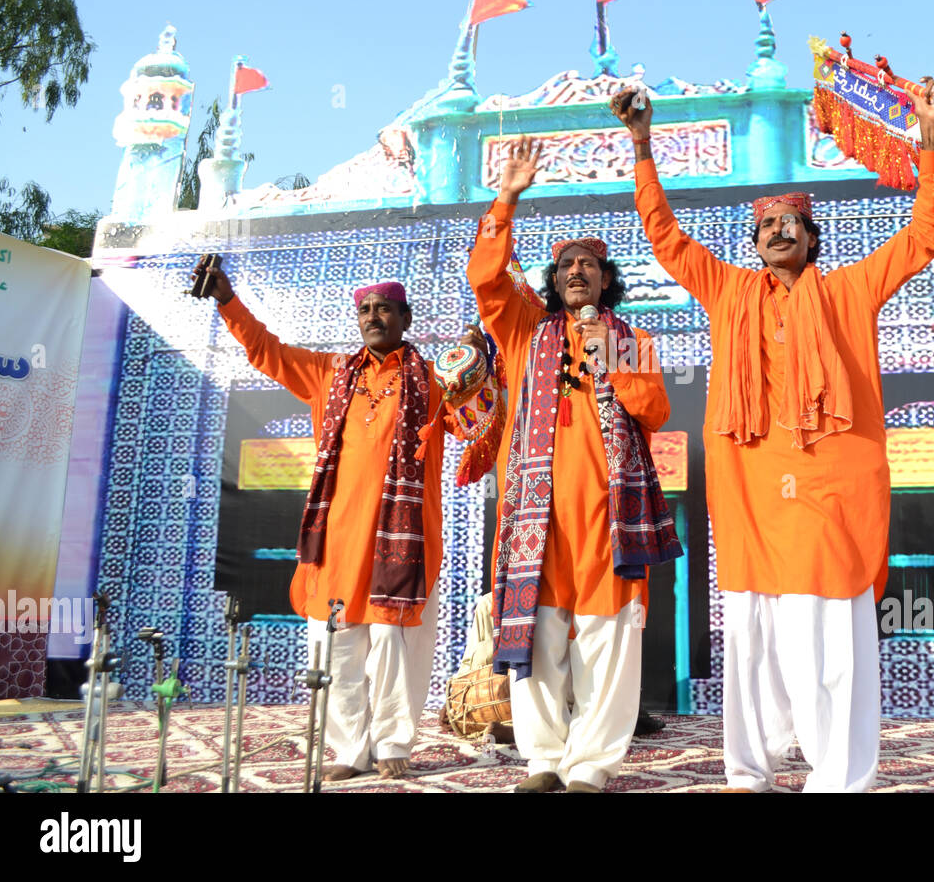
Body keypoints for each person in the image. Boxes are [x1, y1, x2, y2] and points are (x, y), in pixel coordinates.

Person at [609, 79, 934, 792]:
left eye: (793, 222)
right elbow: (664, 238)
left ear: (813, 238)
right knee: (753, 635)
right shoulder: (728, 291)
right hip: (750, 489)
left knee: (831, 636)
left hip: (831, 488)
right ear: (756, 241)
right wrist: (642, 144)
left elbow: (924, 235)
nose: (779, 230)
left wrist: (928, 142)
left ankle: (837, 778)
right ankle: (749, 772)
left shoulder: (851, 290)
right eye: (768, 224)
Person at [467, 136, 681, 793]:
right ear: (553, 283)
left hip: (607, 520)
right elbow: (484, 278)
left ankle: (590, 764)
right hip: (538, 520)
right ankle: (541, 759)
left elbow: (654, 409)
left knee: (607, 645)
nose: (578, 274)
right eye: (567, 268)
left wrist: (605, 349)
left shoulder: (630, 338)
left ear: (606, 280)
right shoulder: (523, 330)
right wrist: (507, 197)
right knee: (537, 639)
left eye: (589, 266)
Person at [193, 261, 460, 780]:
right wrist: (228, 301)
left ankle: (391, 744)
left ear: (405, 317)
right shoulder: (329, 373)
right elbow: (266, 351)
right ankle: (347, 749)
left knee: (395, 647)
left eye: (384, 308)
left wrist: (476, 362)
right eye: (364, 309)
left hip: (402, 544)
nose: (373, 316)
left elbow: (478, 417)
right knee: (335, 646)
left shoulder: (435, 380)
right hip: (336, 540)